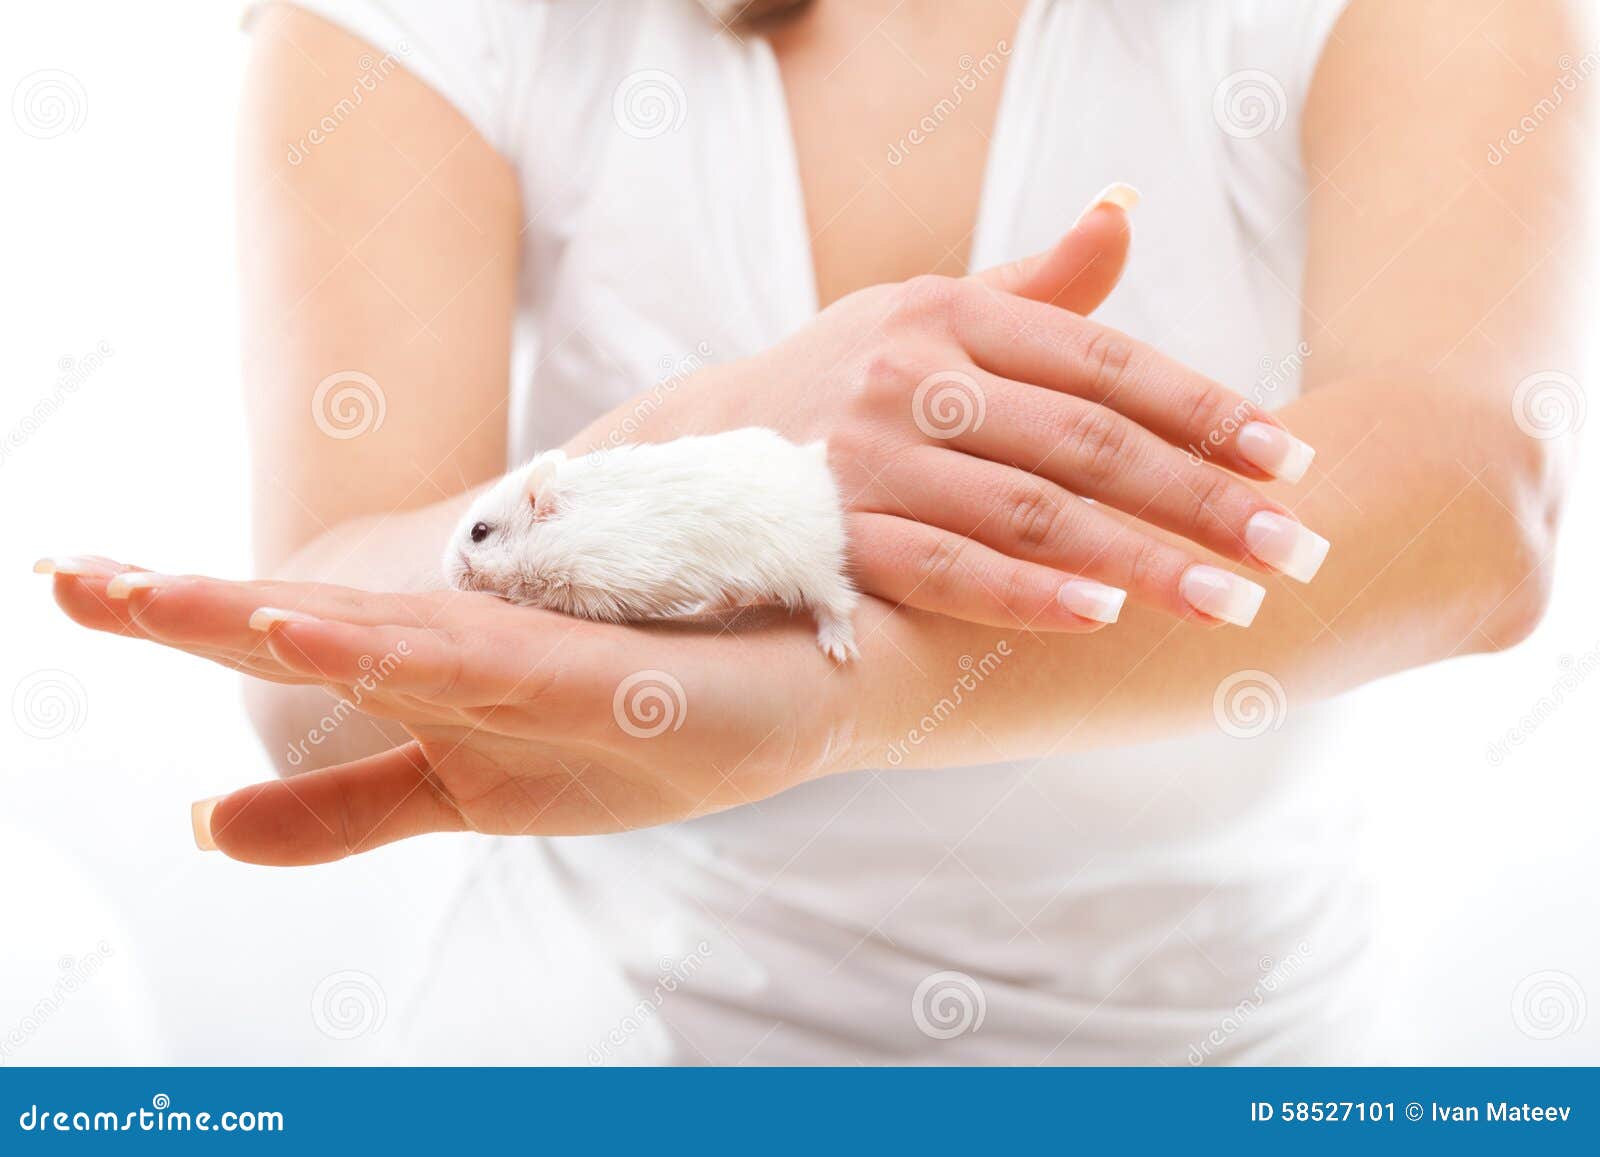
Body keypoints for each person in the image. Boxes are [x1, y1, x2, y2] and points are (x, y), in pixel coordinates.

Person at [45, 0, 1590, 1062]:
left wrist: (867, 693)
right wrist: (681, 467)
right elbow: (318, 688)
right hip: (604, 1056)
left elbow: (1468, 504)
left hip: (1239, 1055)